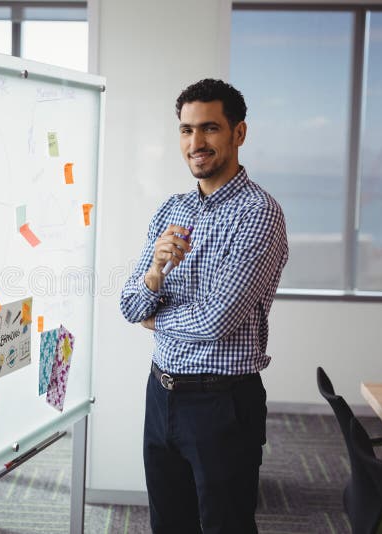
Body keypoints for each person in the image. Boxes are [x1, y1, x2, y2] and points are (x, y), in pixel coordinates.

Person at [119, 78, 288, 534]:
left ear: (239, 133)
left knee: (224, 526)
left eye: (209, 128)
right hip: (161, 396)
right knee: (168, 525)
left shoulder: (259, 213)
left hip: (222, 404)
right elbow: (129, 304)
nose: (196, 143)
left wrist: (156, 318)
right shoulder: (171, 210)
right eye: (186, 130)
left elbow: (217, 319)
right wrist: (155, 272)